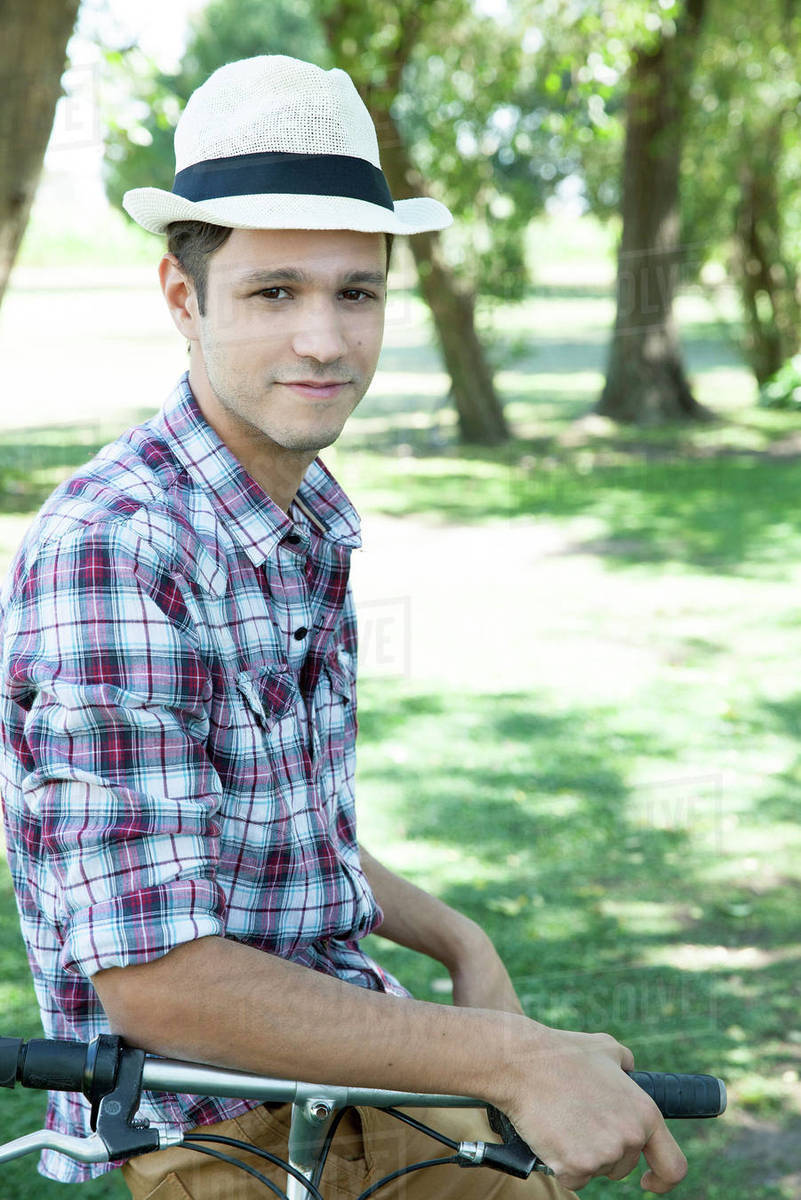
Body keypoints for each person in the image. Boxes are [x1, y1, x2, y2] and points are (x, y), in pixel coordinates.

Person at [0, 55, 688, 1200]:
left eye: (355, 292)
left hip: (360, 1069)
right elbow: (158, 981)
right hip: (216, 1126)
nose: (324, 340)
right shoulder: (119, 549)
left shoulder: (302, 513)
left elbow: (279, 832)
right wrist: (512, 1058)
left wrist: (461, 938)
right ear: (184, 297)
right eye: (275, 292)